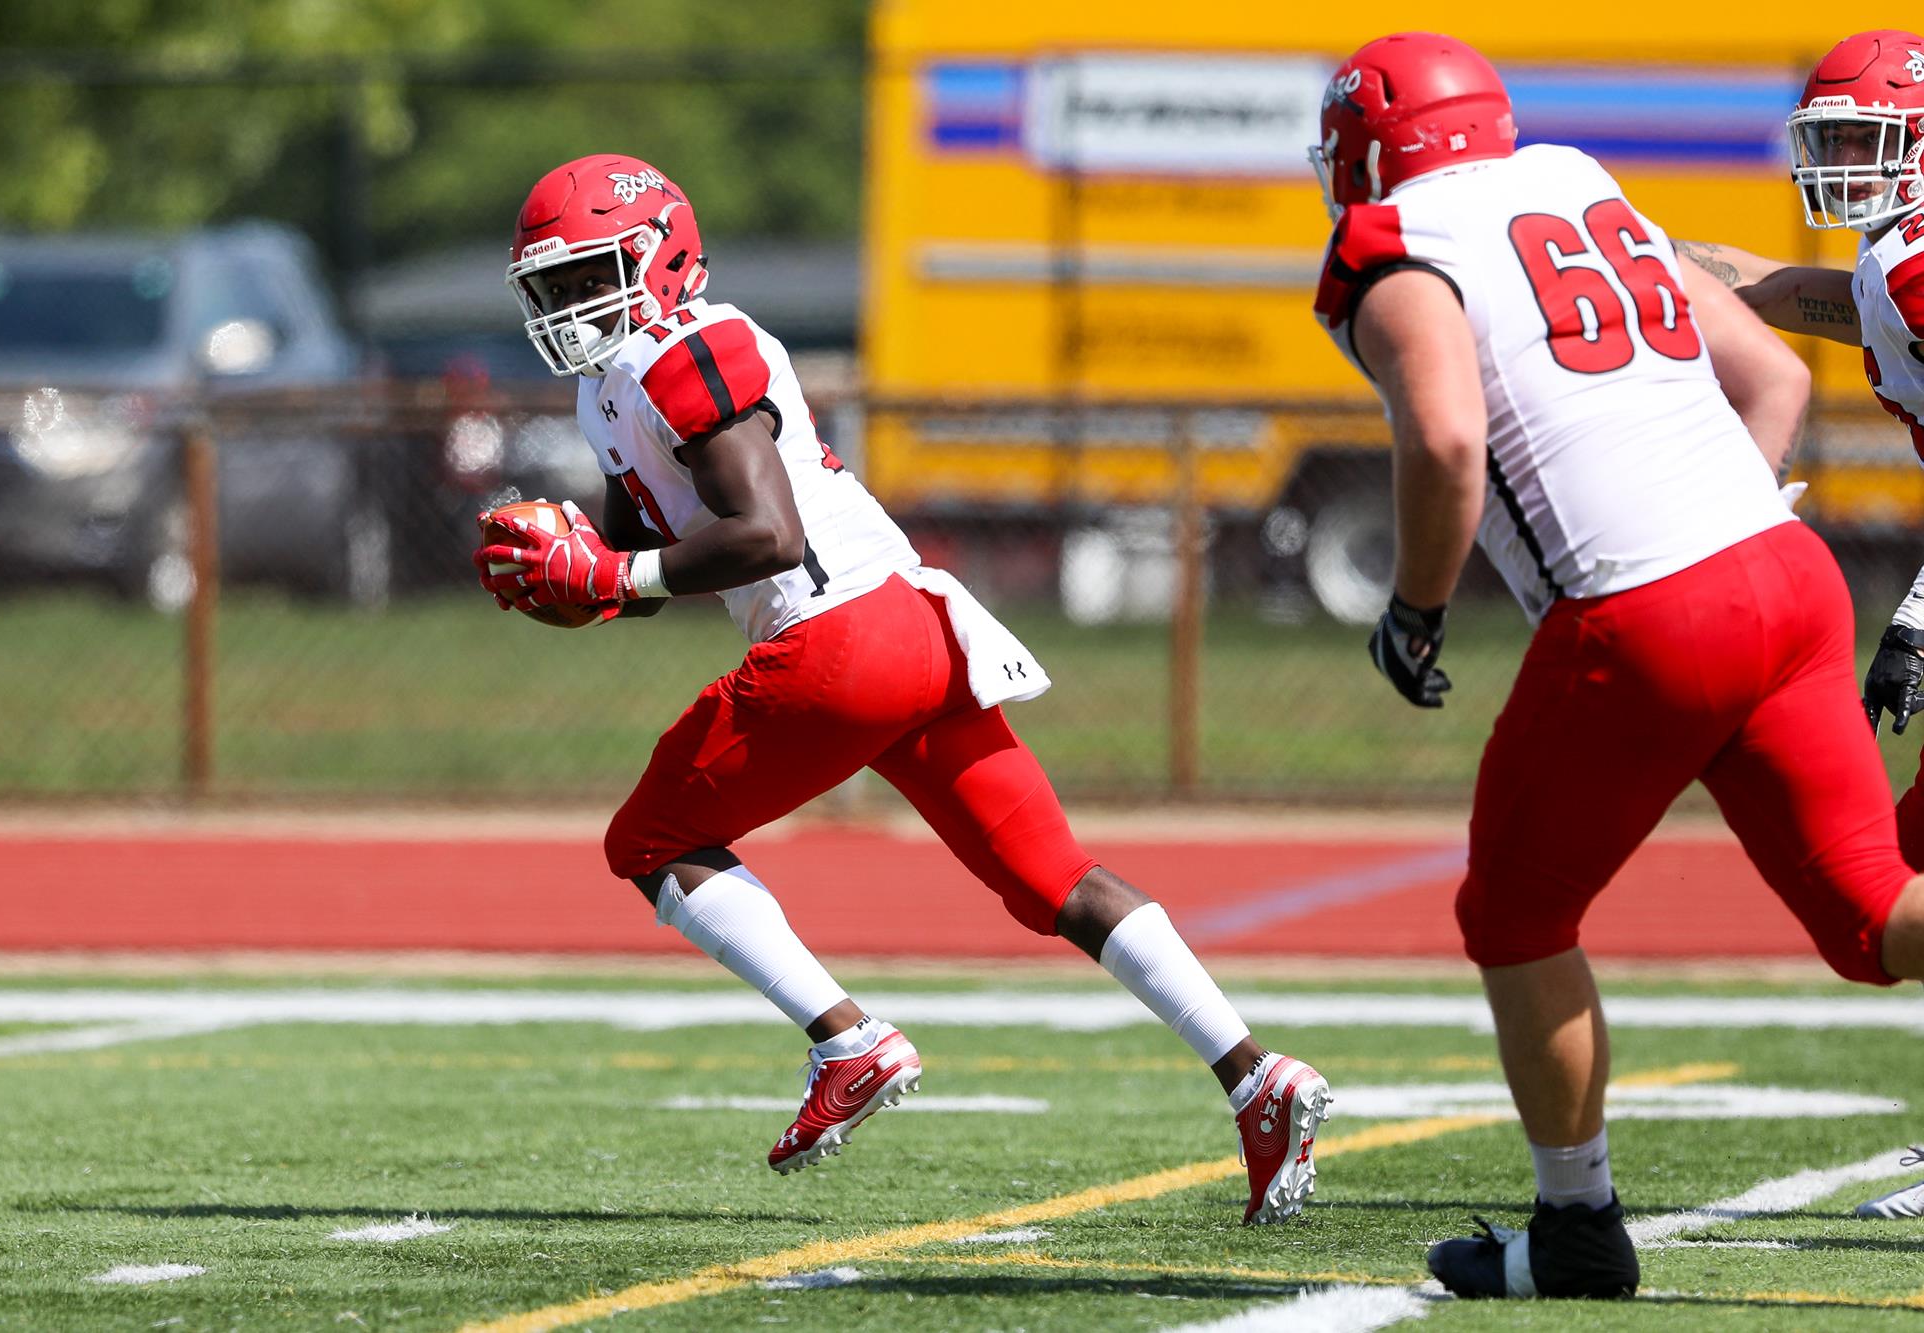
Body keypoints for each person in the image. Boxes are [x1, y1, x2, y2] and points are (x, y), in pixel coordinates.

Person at [470, 154, 1330, 1224]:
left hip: (839, 638)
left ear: (659, 259)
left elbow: (766, 535)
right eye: (548, 288)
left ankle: (845, 1037)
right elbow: (645, 560)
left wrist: (614, 574)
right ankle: (1255, 1076)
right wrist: (573, 576)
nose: (566, 307)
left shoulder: (690, 348)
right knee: (1054, 880)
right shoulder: (613, 385)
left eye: (586, 276)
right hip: (909, 633)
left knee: (646, 842)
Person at [1308, 32, 1924, 1298]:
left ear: (1371, 147)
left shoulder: (1390, 244)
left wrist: (1415, 607)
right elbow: (1768, 369)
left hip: (1647, 607)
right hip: (1781, 566)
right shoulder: (1572, 178)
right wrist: (1709, 531)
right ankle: (1572, 1226)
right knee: (1876, 921)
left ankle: (1577, 1226)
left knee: (1513, 913)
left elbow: (1440, 434)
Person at [1669, 29, 1924, 1222]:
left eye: (1859, 143)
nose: (1837, 165)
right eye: (1824, 141)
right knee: (1891, 895)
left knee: (1893, 893)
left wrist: (1918, 613)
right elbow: (1786, 292)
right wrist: (1629, 252)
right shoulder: (1895, 262)